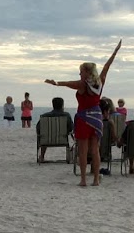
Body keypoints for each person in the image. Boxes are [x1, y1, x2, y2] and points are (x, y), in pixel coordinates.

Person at [45, 40, 121, 186]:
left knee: (83, 151)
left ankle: (83, 180)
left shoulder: (82, 84)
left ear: (86, 72)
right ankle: (96, 179)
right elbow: (107, 66)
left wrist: (56, 83)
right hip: (97, 118)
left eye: (81, 71)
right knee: (95, 150)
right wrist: (115, 52)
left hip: (84, 118)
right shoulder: (100, 81)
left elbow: (69, 83)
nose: (79, 73)